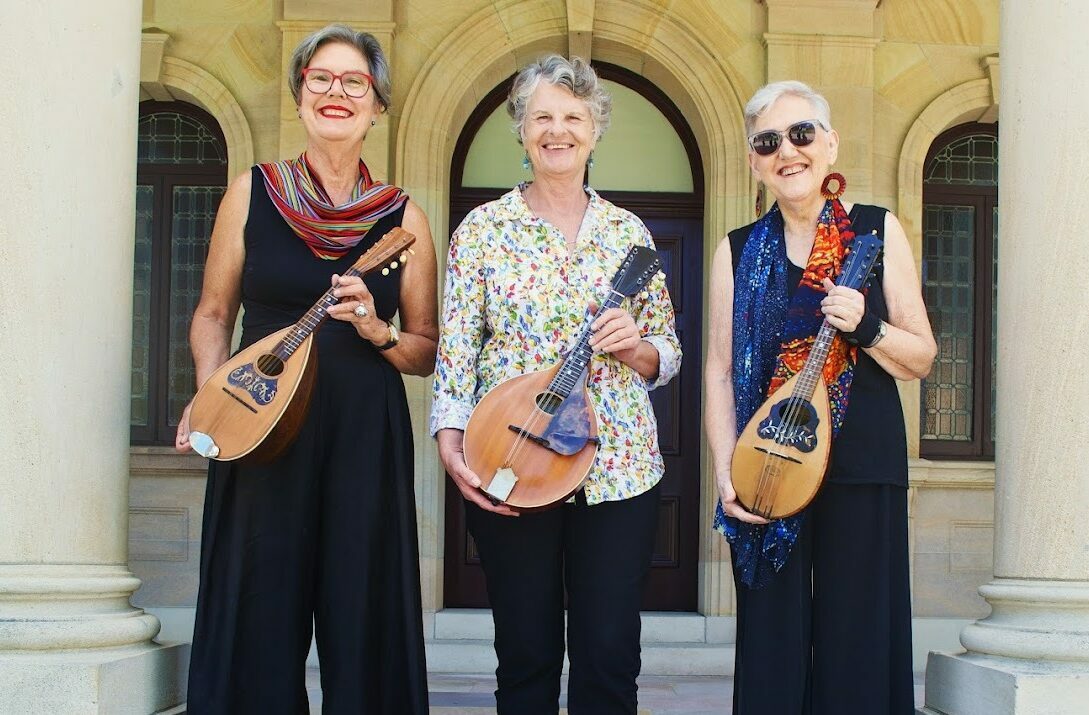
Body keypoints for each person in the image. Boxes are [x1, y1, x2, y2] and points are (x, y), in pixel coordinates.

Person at [175, 24, 437, 714]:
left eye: (355, 82)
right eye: (320, 78)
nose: (336, 93)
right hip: (256, 427)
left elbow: (426, 349)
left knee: (362, 607)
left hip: (361, 434)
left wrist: (375, 327)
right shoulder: (252, 192)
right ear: (299, 96)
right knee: (257, 604)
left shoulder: (403, 216)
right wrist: (211, 393)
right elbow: (210, 313)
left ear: (377, 106)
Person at [430, 55, 681, 714]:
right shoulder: (481, 231)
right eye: (542, 115)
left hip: (618, 466)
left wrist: (638, 348)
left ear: (594, 130)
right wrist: (450, 444)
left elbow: (668, 352)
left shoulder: (628, 233)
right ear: (520, 129)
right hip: (512, 456)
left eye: (573, 117)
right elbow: (456, 352)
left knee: (606, 653)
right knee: (525, 651)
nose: (557, 130)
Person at [705, 80, 937, 714]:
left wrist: (867, 326)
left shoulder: (876, 230)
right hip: (769, 466)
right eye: (769, 141)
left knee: (858, 641)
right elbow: (719, 371)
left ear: (830, 144)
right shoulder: (736, 250)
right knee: (771, 642)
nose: (789, 150)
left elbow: (920, 355)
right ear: (755, 161)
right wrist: (728, 475)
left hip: (862, 462)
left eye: (802, 133)